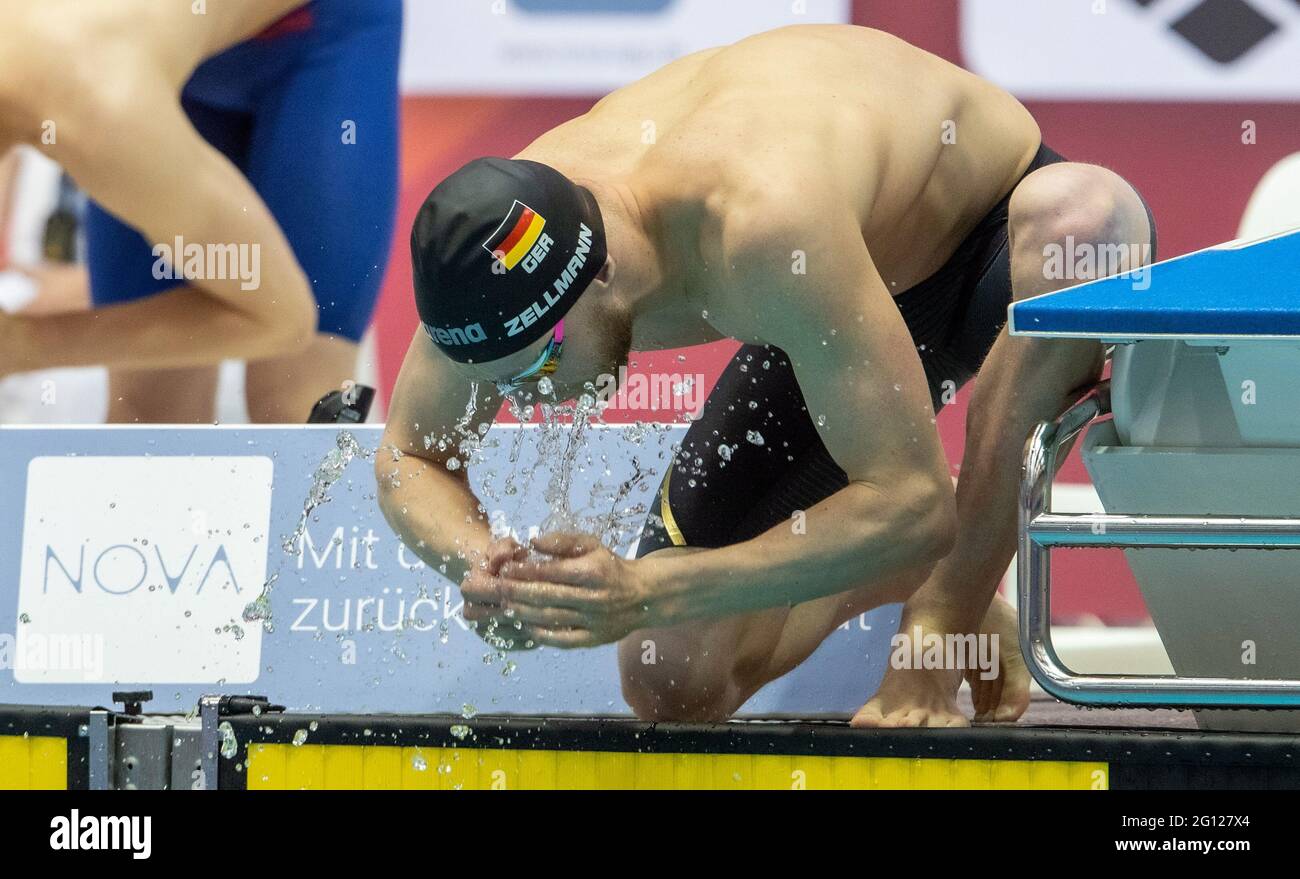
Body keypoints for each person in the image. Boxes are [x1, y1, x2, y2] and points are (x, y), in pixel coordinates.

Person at [377, 25, 1157, 727]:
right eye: (503, 379)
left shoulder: (756, 227)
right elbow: (407, 457)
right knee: (670, 676)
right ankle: (919, 581)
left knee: (1089, 221)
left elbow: (915, 502)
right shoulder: (493, 260)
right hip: (831, 301)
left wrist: (650, 587)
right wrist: (483, 566)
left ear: (605, 271)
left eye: (543, 361)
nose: (530, 395)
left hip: (984, 235)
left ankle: (942, 620)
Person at [0, 0, 401, 423]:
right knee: (149, 420)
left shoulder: (100, 114)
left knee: (303, 405)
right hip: (146, 60)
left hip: (323, 30)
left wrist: (26, 345)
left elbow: (284, 319)